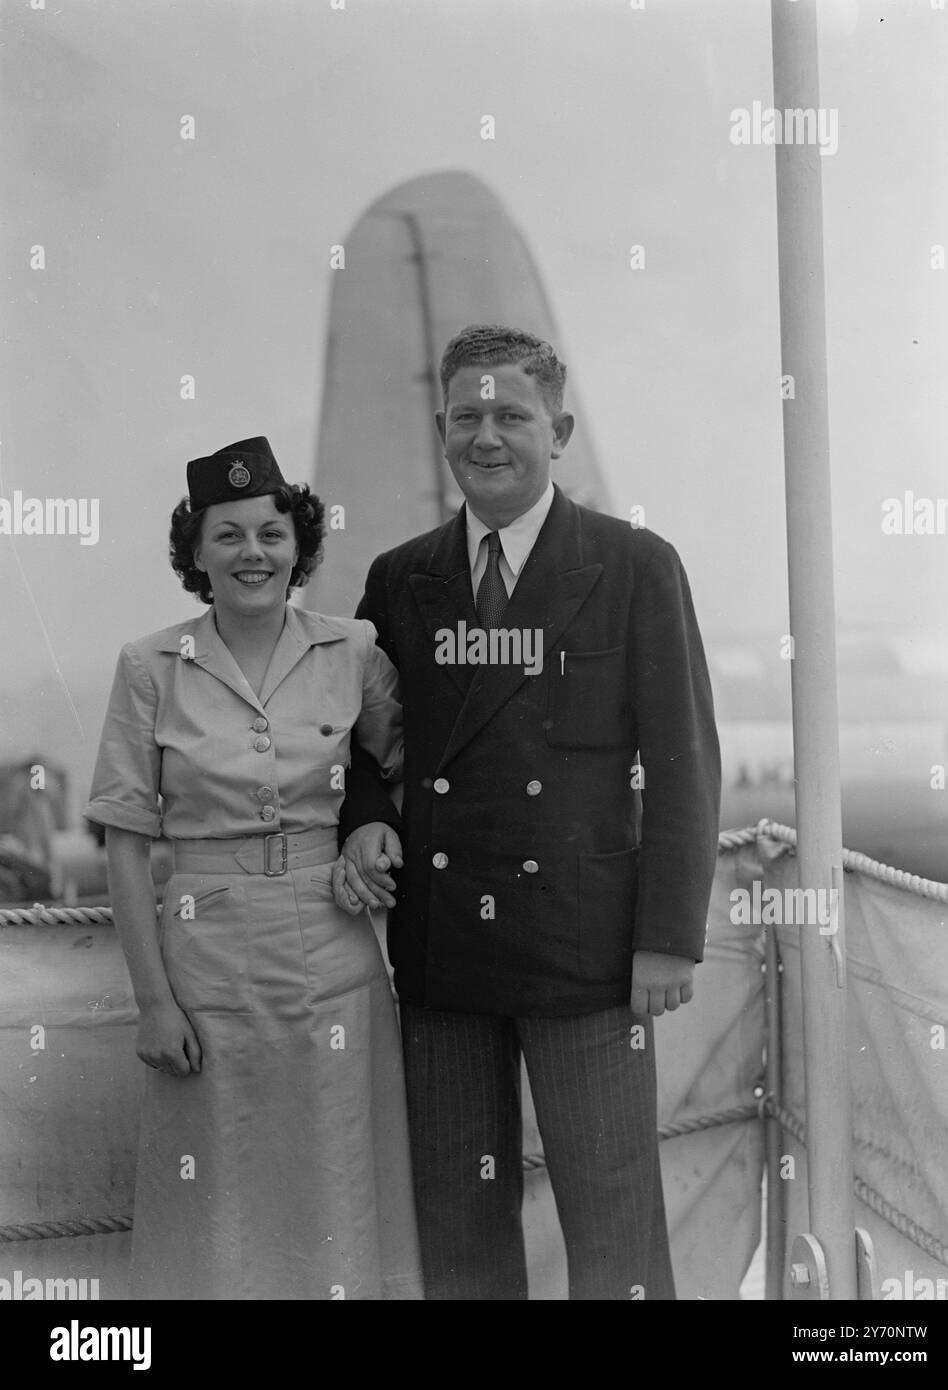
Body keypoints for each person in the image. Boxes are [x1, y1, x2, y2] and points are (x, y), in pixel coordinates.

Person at [339, 326, 722, 1300]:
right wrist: (366, 820)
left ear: (556, 428)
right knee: (457, 1222)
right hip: (441, 948)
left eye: (510, 414)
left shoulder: (633, 564)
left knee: (611, 1214)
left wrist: (667, 939)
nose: (487, 435)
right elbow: (365, 744)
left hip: (586, 946)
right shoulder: (399, 578)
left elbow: (682, 764)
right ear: (439, 429)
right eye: (465, 417)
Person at [83, 436, 421, 1300]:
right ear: (194, 553)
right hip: (205, 965)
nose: (253, 554)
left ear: (299, 547)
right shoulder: (150, 667)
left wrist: (368, 830)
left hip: (335, 960)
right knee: (216, 1189)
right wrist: (154, 1003)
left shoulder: (353, 651)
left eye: (271, 534)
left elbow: (408, 774)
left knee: (339, 1175)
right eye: (227, 536)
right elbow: (125, 843)